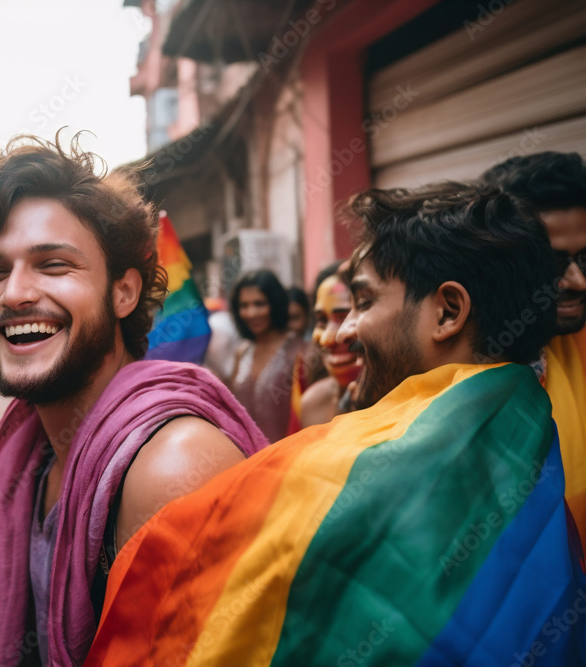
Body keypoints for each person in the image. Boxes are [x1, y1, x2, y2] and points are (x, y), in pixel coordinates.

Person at [86, 182, 586, 666]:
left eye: (363, 302)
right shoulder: (532, 448)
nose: (344, 332)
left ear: (448, 312)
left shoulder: (340, 475)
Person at [0, 134, 268, 667]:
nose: (14, 293)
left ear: (124, 292)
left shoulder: (170, 468)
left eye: (53, 265)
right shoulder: (31, 459)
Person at [483, 151, 586, 548]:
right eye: (553, 263)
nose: (577, 280)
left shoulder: (573, 335)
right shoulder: (467, 373)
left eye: (584, 258)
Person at [228, 270, 308, 442]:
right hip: (248, 461)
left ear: (275, 303)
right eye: (244, 305)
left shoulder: (299, 351)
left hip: (290, 459)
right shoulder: (241, 354)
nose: (251, 313)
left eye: (259, 304)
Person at [298, 266, 361, 428]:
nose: (327, 339)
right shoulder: (312, 402)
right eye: (322, 321)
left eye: (343, 317)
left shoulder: (404, 403)